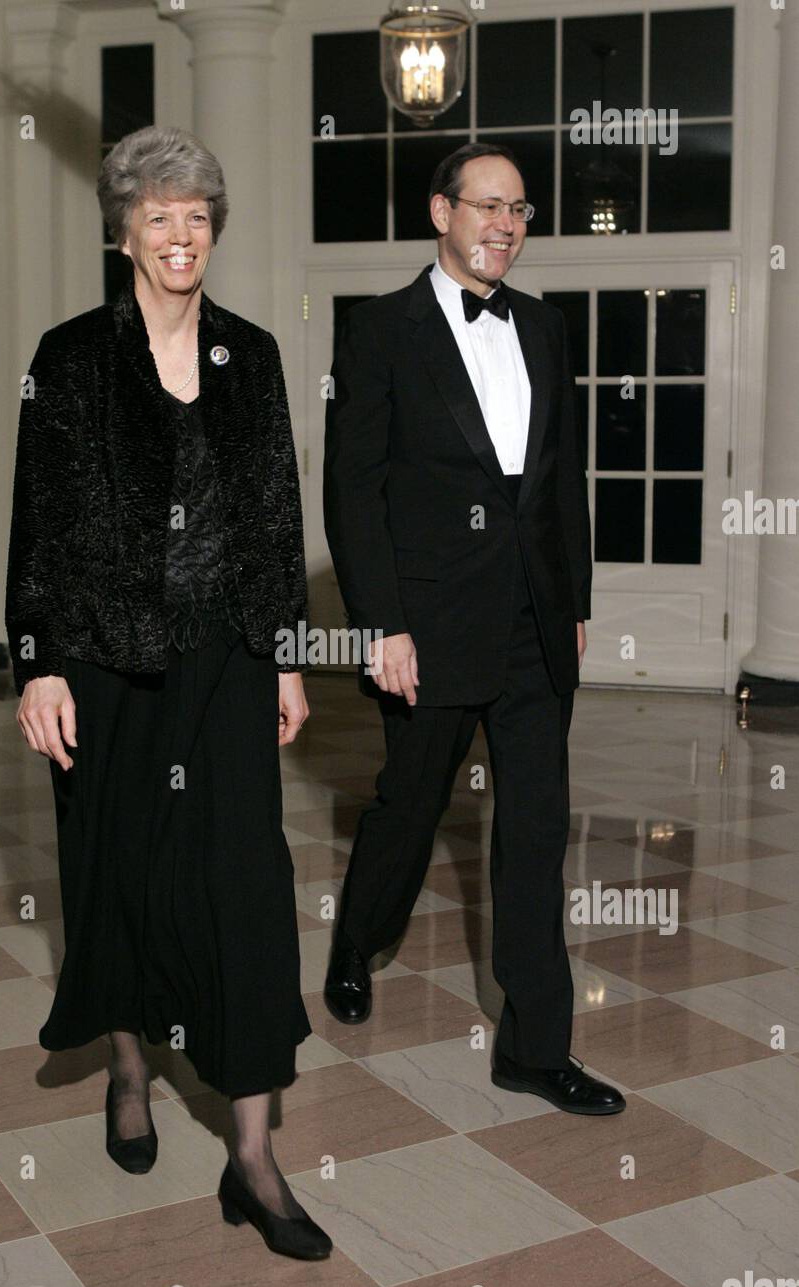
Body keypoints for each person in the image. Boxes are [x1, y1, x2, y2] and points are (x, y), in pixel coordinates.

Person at [5, 124, 331, 1259]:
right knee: (118, 871)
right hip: (105, 662)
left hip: (226, 661)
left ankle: (253, 1156)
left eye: (196, 216)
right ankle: (129, 1068)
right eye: (158, 216)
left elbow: (276, 516)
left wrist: (285, 652)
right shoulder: (70, 357)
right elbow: (39, 522)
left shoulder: (251, 354)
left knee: (245, 886)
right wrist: (39, 662)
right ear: (123, 232)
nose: (180, 234)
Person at [322, 142, 625, 1118]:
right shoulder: (379, 329)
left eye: (518, 209)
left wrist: (572, 602)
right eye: (486, 205)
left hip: (533, 621)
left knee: (534, 831)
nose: (504, 225)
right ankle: (356, 941)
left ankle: (533, 1047)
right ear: (440, 212)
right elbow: (353, 491)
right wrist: (381, 626)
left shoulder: (544, 327)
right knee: (409, 807)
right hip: (431, 623)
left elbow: (562, 478)